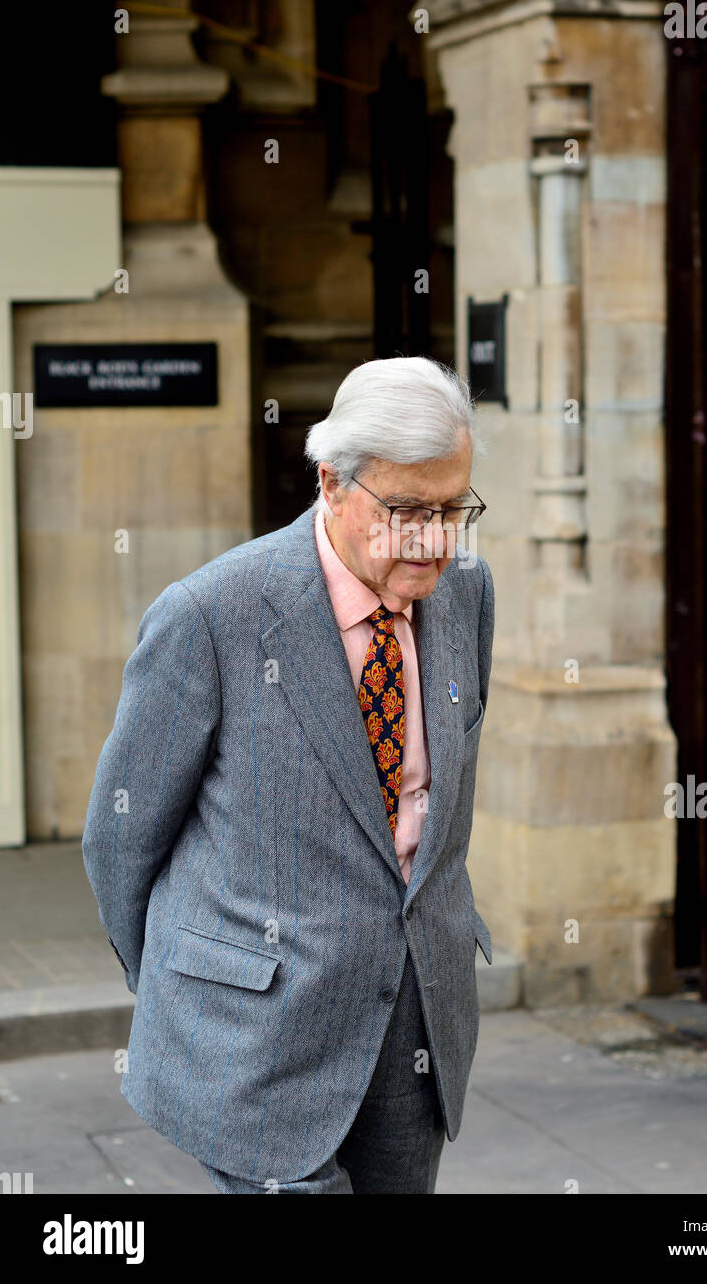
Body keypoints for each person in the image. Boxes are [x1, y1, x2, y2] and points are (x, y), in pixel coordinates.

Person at [82, 354, 495, 1193]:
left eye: (455, 509)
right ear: (331, 483)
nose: (435, 541)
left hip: (415, 1024)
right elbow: (120, 838)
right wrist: (194, 989)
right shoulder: (211, 615)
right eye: (407, 511)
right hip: (258, 1045)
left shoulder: (467, 593)